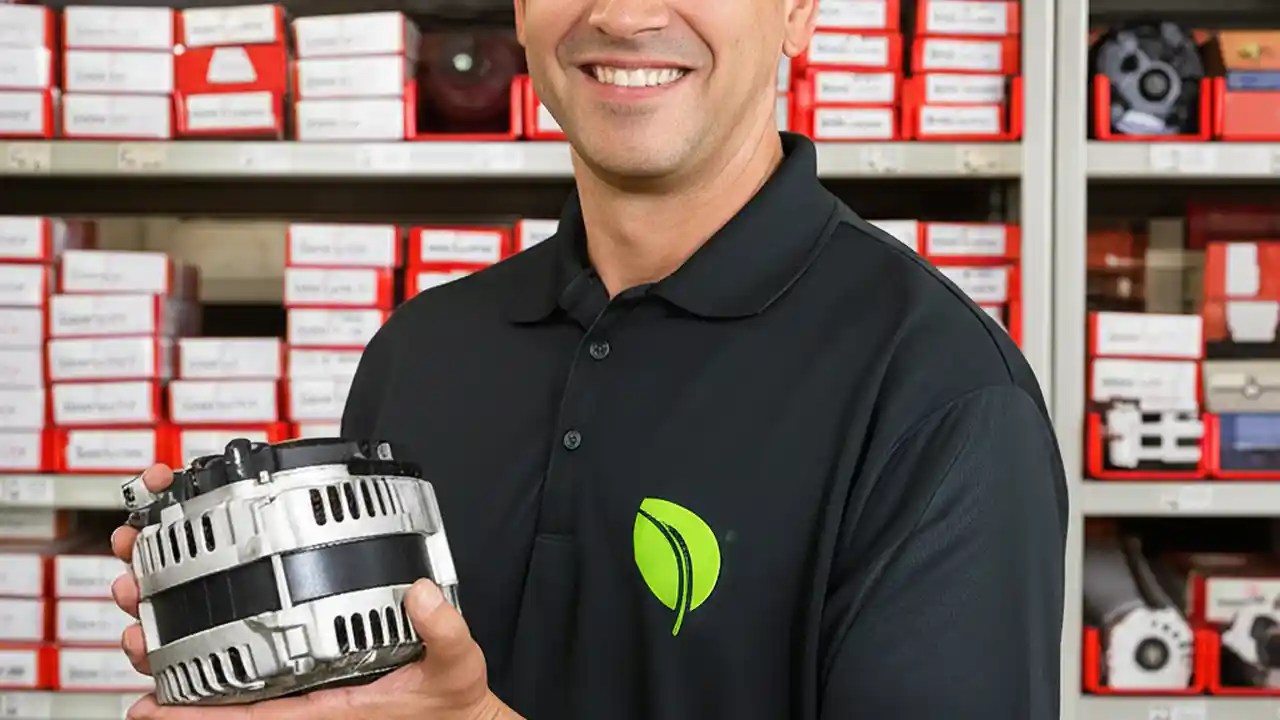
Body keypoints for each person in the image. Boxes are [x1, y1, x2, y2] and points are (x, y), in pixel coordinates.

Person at [108, 0, 1069, 715]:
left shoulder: (940, 395)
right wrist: (251, 642)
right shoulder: (422, 353)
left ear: (800, 11)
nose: (623, 14)